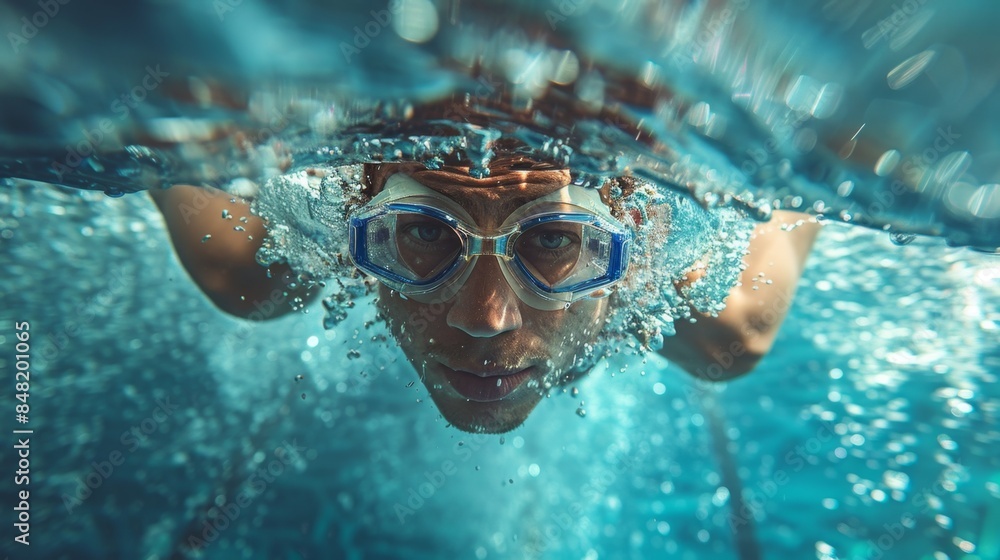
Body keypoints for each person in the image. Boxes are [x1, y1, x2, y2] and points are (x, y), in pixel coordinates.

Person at [151, 151, 818, 433]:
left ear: (636, 236)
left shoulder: (728, 319)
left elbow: (813, 169)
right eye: (424, 234)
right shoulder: (247, 263)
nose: (485, 320)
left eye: (554, 240)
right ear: (352, 213)